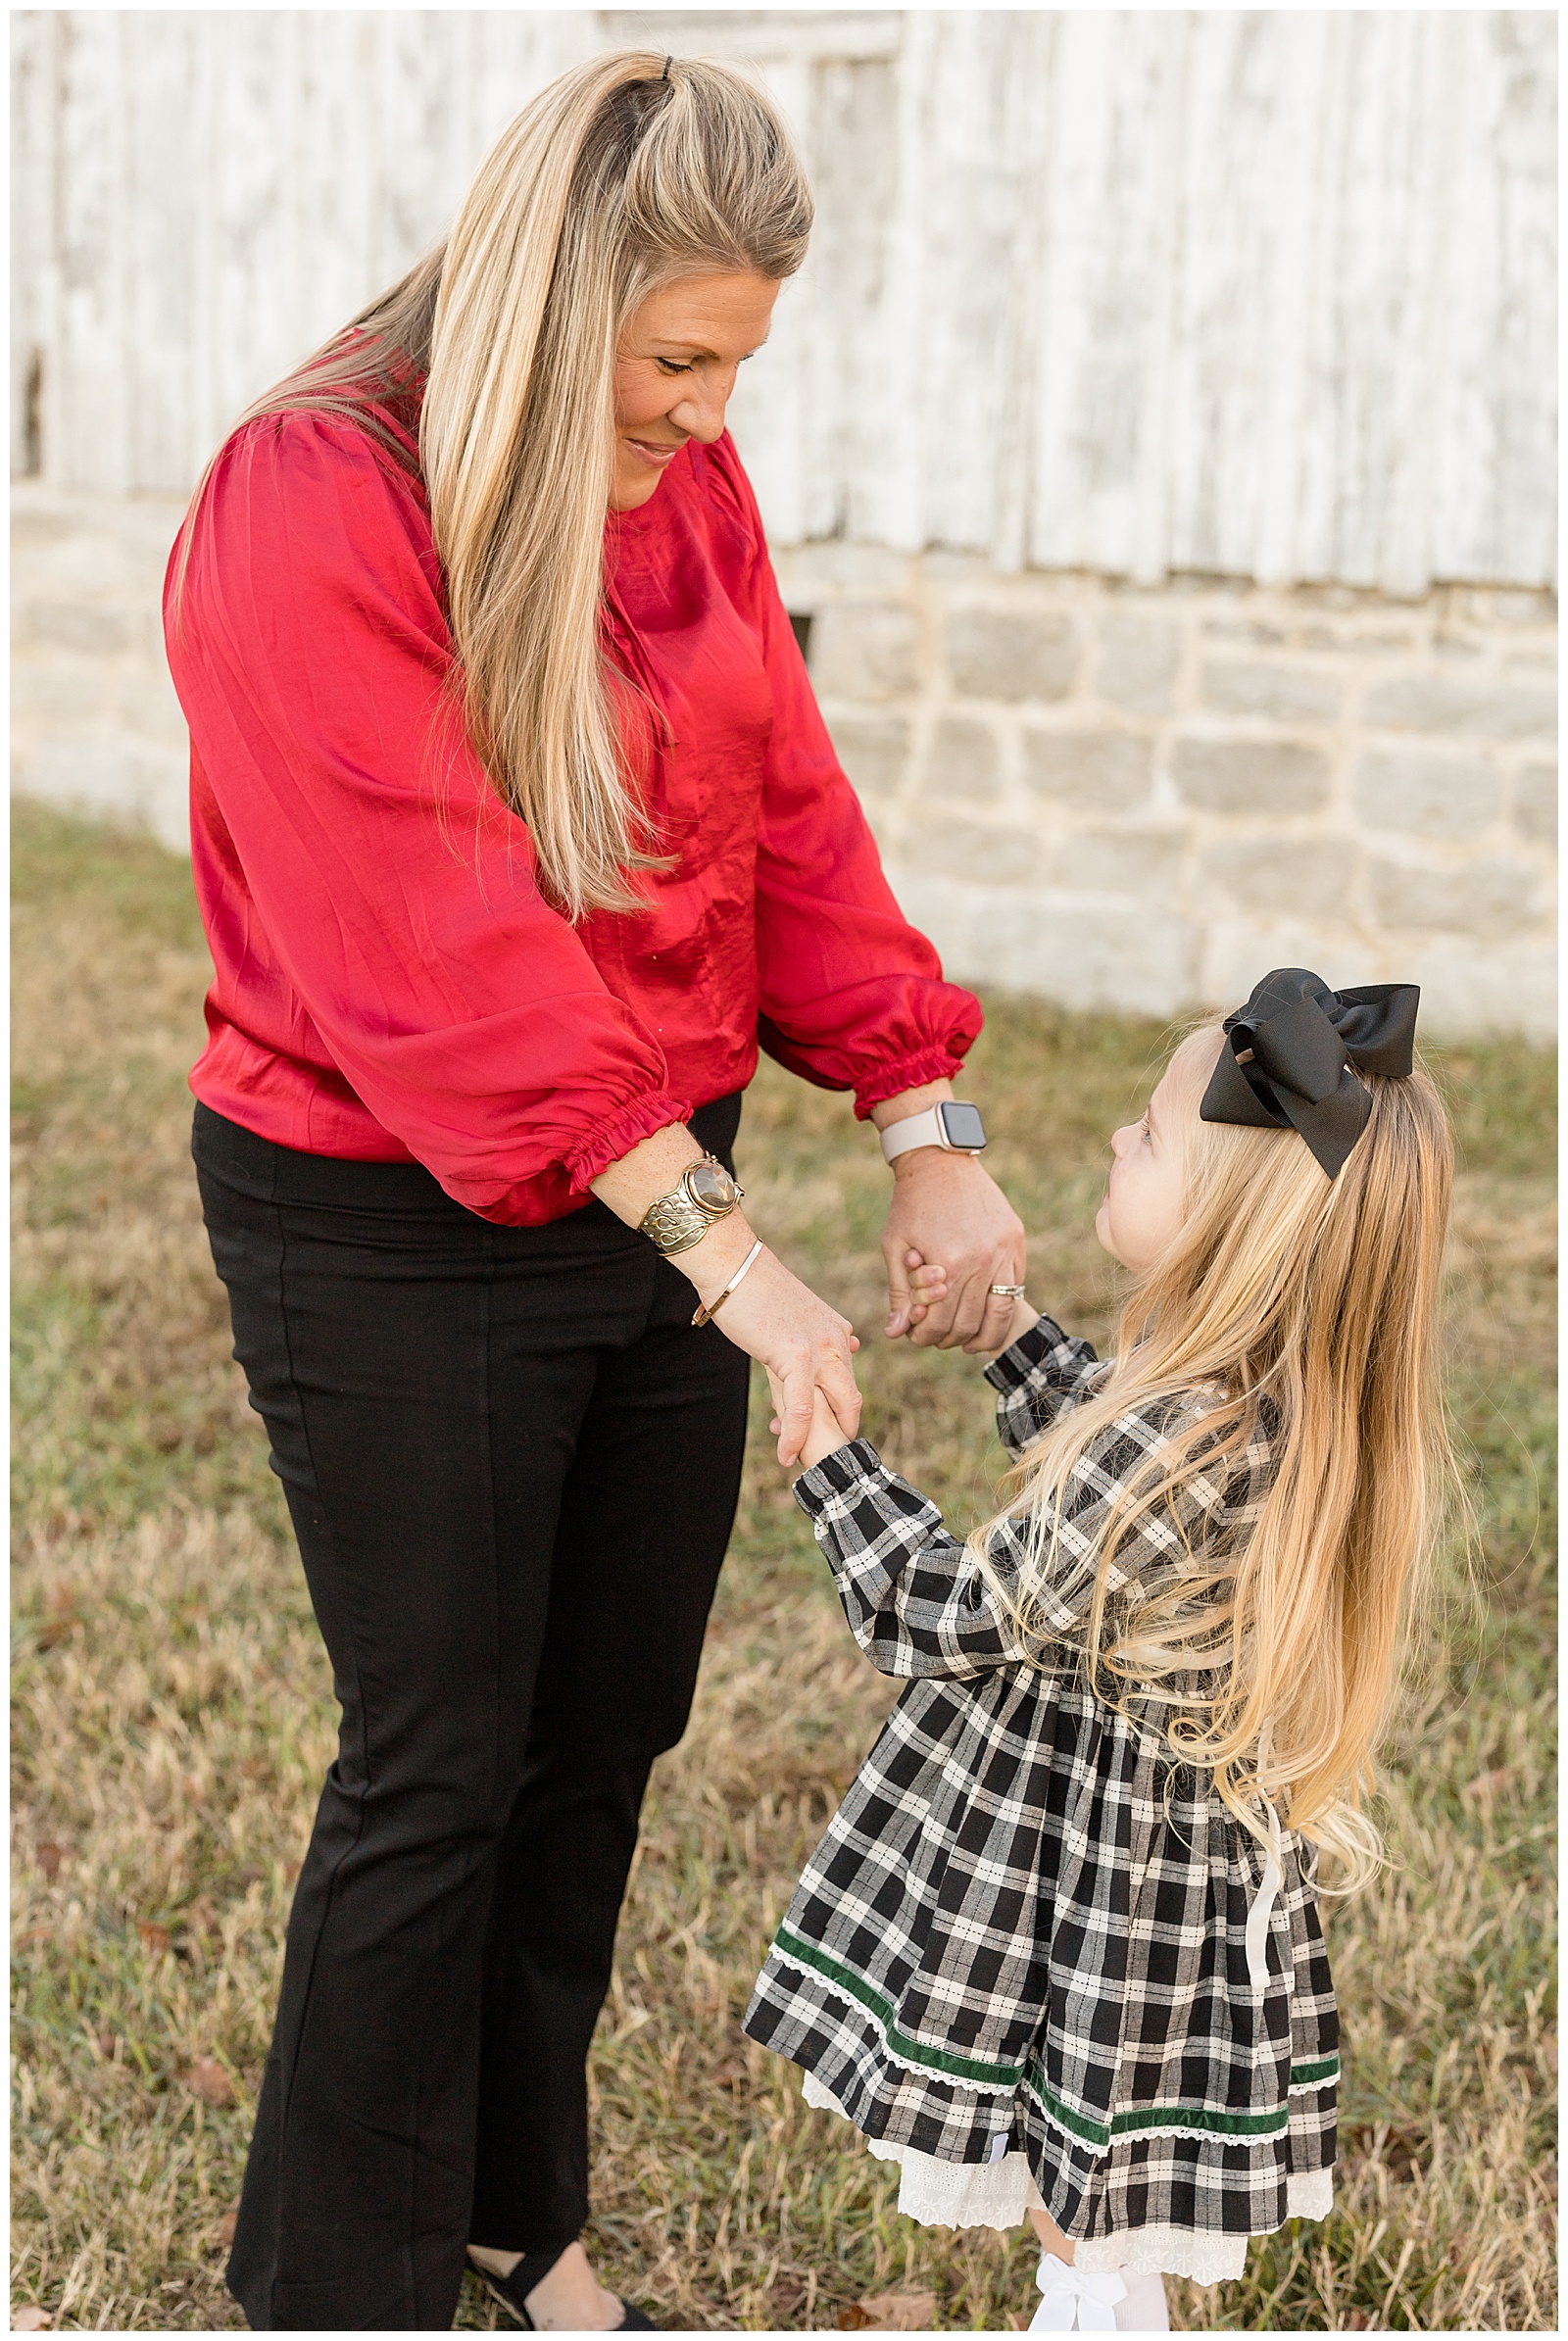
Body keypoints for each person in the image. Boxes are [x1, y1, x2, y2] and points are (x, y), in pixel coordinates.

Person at [164, 49, 1026, 2336]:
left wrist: (915, 1121)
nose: (704, 410)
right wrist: (734, 1263)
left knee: (602, 1733)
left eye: (736, 364)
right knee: (438, 1753)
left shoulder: (685, 480)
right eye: (672, 360)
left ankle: (513, 2215)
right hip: (387, 1202)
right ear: (552, 297)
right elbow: (436, 951)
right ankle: (331, 2292)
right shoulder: (308, 495)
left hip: (658, 1184)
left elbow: (781, 811)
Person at [745, 970, 1454, 2331]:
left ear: (1222, 1226)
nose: (1118, 1142)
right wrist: (1011, 1332)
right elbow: (1102, 1466)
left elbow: (947, 1613)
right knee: (1104, 2164)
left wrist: (831, 1454)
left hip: (1093, 1863)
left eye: (1146, 1135)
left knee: (1085, 2174)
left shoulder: (1174, 1430)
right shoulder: (1252, 1395)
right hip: (1170, 1854)